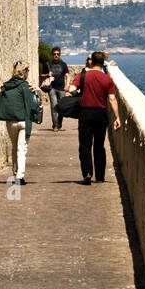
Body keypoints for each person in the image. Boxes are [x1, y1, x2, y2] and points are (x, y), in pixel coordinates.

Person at [73, 49, 120, 185]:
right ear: (102, 63)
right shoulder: (108, 79)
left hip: (85, 113)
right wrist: (117, 118)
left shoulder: (83, 75)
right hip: (101, 114)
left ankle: (87, 172)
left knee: (85, 145)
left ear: (92, 62)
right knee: (99, 146)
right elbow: (112, 99)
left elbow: (71, 89)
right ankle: (100, 176)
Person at [0, 61, 39, 185]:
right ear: (24, 72)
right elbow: (34, 104)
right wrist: (37, 91)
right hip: (24, 121)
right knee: (22, 148)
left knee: (14, 147)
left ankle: (15, 172)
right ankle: (19, 176)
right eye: (27, 71)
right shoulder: (26, 86)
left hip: (11, 121)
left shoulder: (7, 86)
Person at [40, 45, 70, 131]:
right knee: (54, 107)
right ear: (52, 54)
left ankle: (59, 122)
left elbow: (67, 75)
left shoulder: (63, 65)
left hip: (61, 89)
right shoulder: (48, 64)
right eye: (54, 54)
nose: (56, 55)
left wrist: (67, 85)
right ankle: (55, 125)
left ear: (59, 55)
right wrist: (47, 75)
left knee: (62, 107)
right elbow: (41, 76)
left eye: (57, 54)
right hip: (52, 88)